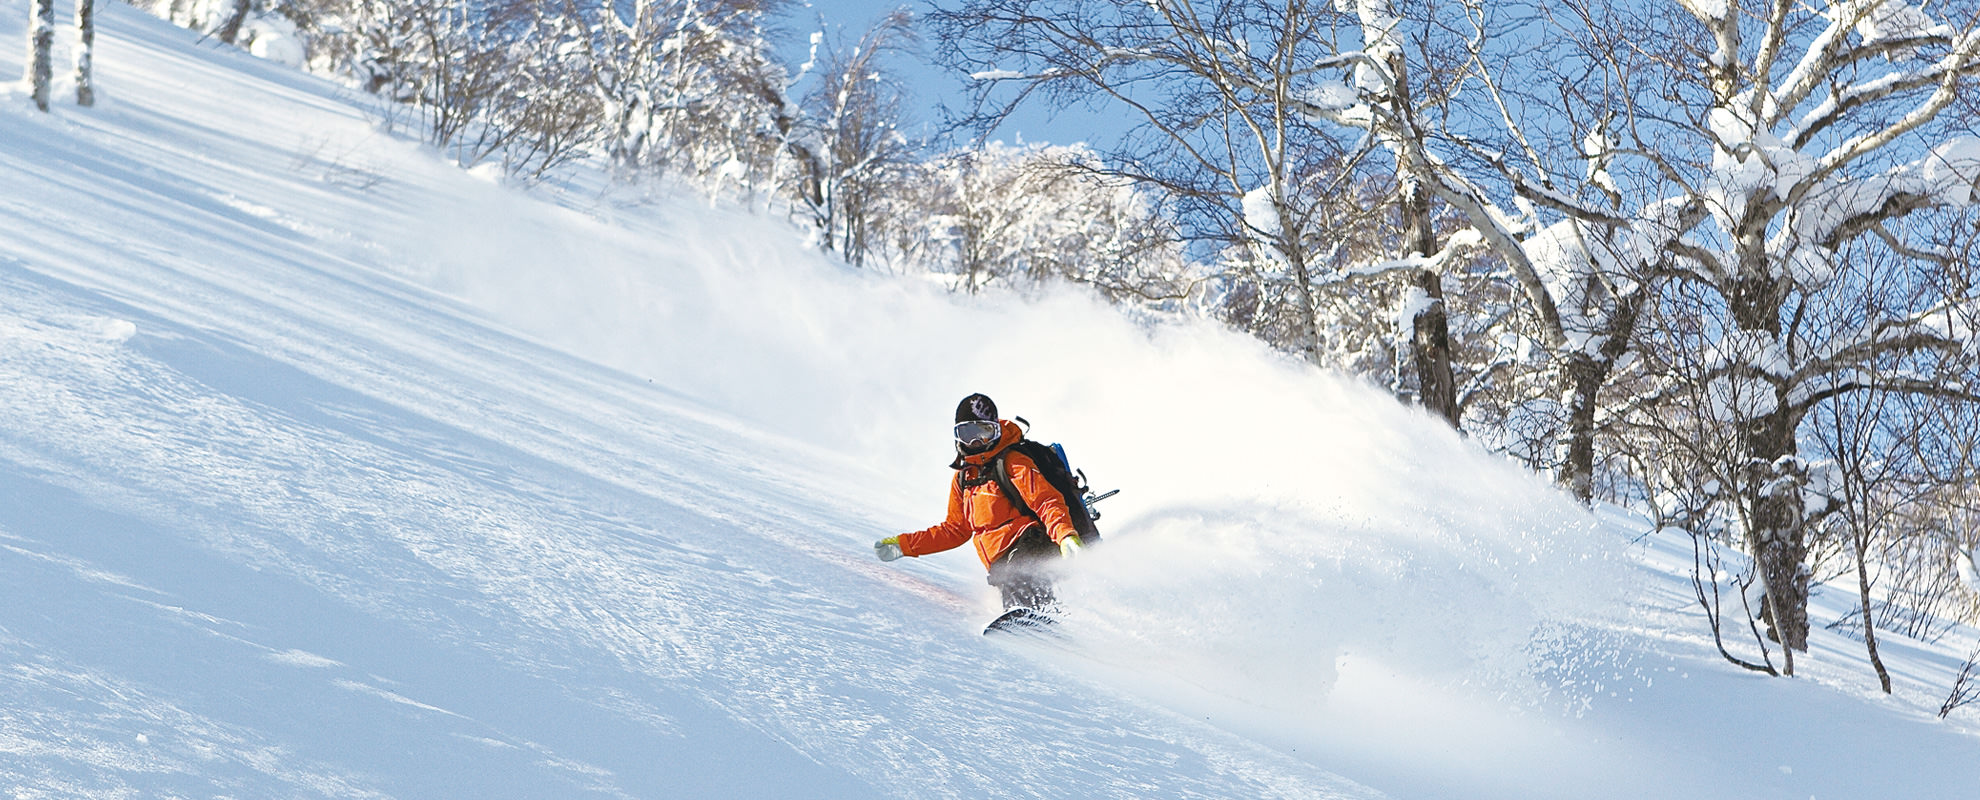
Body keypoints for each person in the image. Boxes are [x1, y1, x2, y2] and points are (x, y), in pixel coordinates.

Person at [874, 393, 1085, 610]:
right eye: (968, 433)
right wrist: (904, 545)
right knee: (1013, 580)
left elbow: (1046, 501)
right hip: (1002, 564)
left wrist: (1066, 535)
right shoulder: (964, 479)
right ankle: (1040, 623)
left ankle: (1036, 621)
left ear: (996, 430)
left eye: (984, 432)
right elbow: (955, 530)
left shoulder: (1012, 462)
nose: (976, 441)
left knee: (1019, 574)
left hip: (1031, 542)